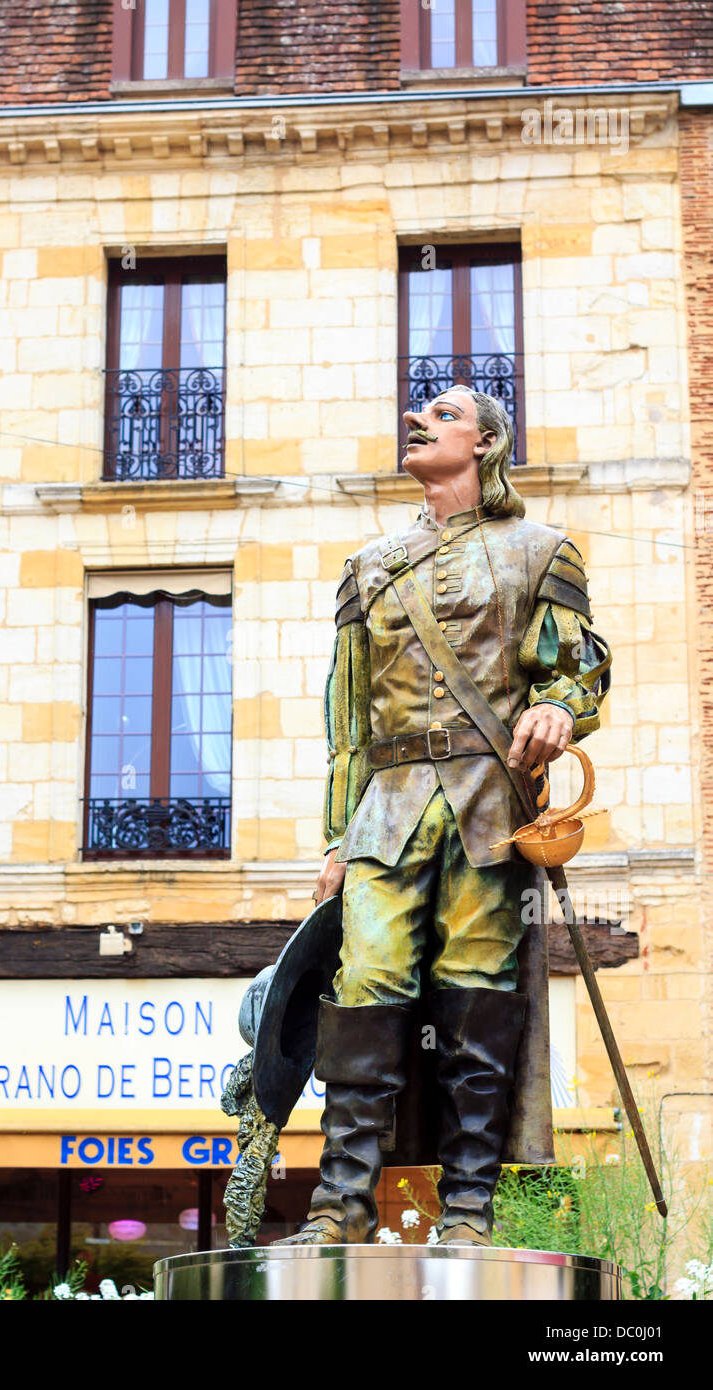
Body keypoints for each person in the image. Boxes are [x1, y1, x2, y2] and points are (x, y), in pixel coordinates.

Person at [275, 385, 611, 1247]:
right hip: (385, 813)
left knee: (478, 1002)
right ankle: (339, 1205)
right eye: (421, 412)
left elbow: (580, 668)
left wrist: (560, 710)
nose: (418, 421)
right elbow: (346, 726)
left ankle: (468, 1210)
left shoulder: (543, 552)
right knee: (363, 990)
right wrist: (335, 838)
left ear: (488, 443)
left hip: (489, 811)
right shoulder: (369, 566)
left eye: (445, 414)